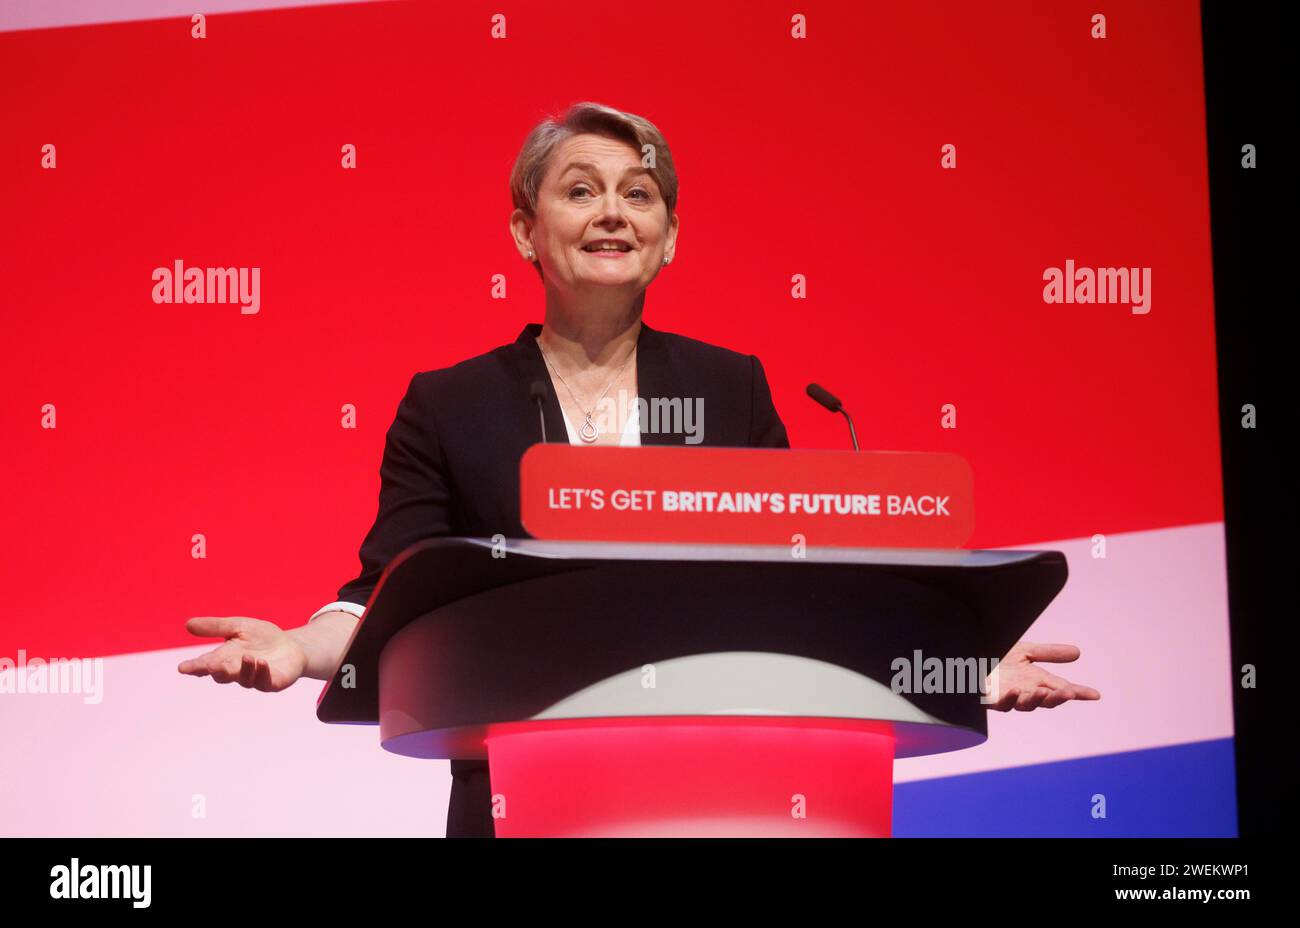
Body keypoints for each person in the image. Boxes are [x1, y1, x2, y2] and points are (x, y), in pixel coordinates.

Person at [180, 102, 1100, 837]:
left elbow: (803, 580)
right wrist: (298, 650)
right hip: (519, 792)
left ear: (669, 238)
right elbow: (389, 596)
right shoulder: (451, 404)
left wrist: (951, 656)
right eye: (580, 191)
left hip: (724, 792)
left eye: (640, 194)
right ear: (524, 231)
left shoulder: (729, 386)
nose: (613, 212)